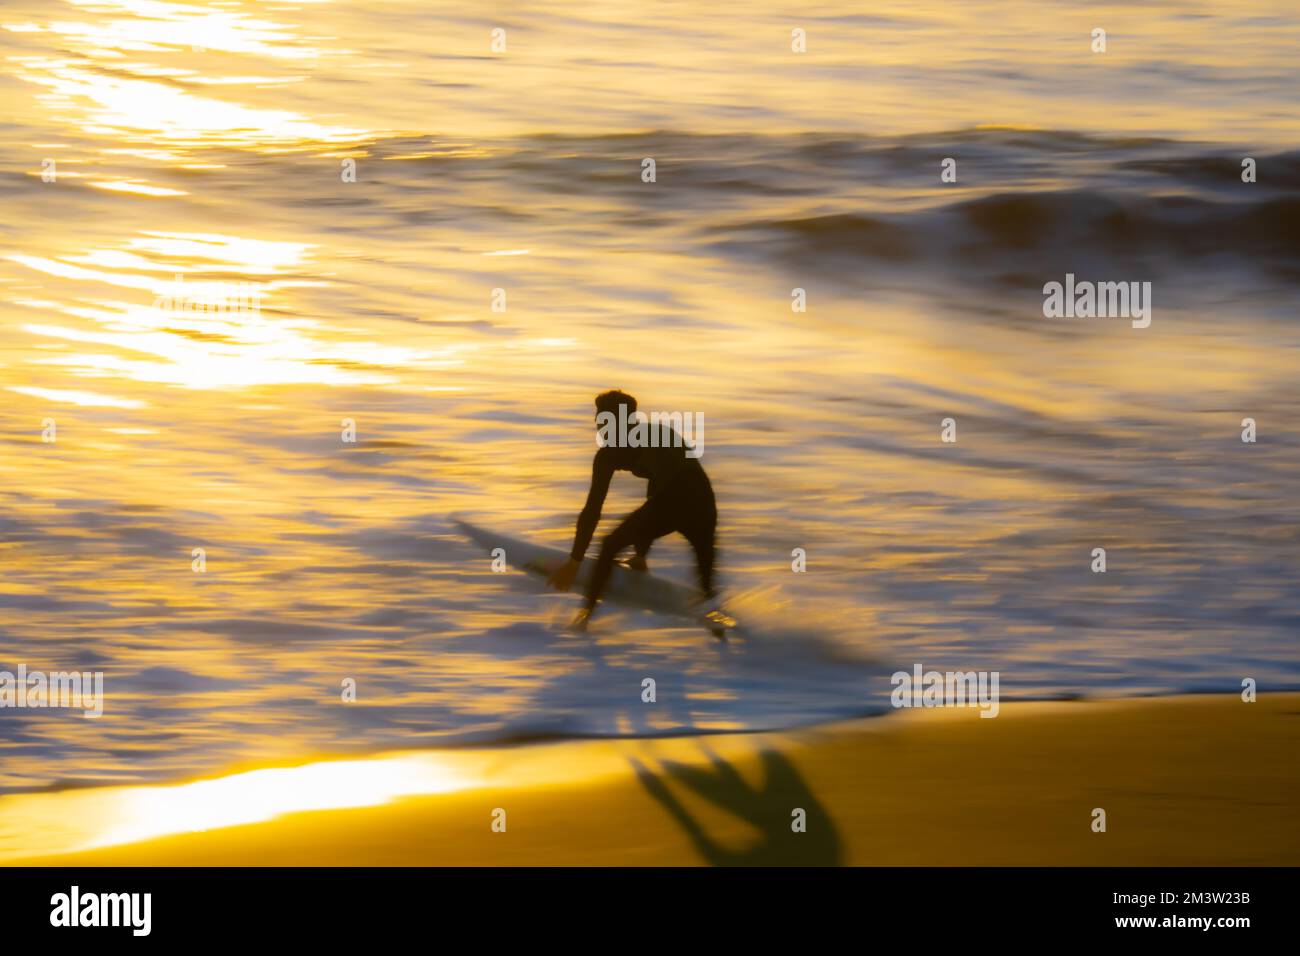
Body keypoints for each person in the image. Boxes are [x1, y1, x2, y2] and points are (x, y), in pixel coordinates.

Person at [547, 390, 717, 629]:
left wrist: (574, 564)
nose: (598, 426)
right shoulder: (608, 456)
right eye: (598, 419)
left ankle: (583, 620)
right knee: (707, 591)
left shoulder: (652, 439)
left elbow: (665, 496)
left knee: (609, 546)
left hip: (690, 499)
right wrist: (639, 555)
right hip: (704, 504)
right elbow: (593, 508)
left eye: (604, 420)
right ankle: (727, 636)